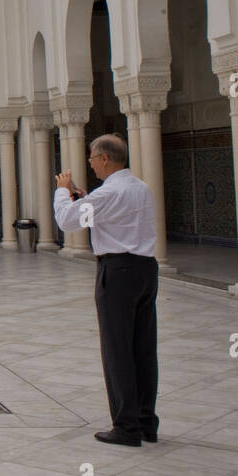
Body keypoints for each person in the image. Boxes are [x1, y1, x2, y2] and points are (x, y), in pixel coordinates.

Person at [54, 133, 159, 448]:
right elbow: (109, 213)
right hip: (145, 271)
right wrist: (83, 195)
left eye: (91, 158)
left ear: (104, 159)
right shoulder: (140, 188)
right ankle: (145, 423)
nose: (90, 163)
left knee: (118, 349)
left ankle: (125, 427)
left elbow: (68, 221)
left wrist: (62, 192)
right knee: (143, 348)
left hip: (118, 273)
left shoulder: (109, 193)